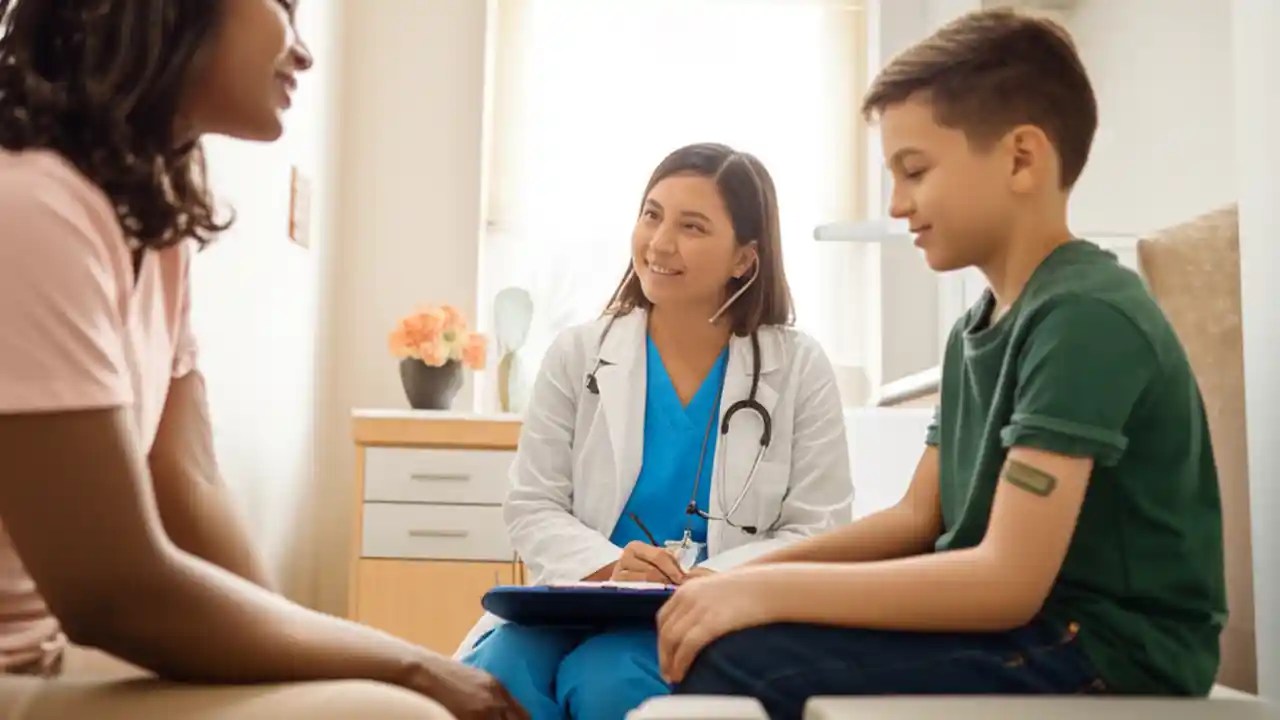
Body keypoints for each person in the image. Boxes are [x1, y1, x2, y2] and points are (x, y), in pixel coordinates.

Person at [655, 9, 1227, 719]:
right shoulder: (973, 332)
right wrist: (730, 575)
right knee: (732, 633)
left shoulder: (1087, 315)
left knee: (742, 661)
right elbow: (917, 518)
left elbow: (1007, 581)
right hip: (1037, 627)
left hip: (1112, 651)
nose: (897, 204)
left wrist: (760, 592)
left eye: (914, 171)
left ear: (1021, 158)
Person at [0, 2, 527, 719]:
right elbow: (113, 592)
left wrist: (312, 663)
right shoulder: (30, 206)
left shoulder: (152, 232)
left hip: (50, 653)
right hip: (31, 659)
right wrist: (407, 665)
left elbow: (191, 484)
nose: (303, 54)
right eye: (283, 8)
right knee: (399, 712)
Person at [458, 142, 854, 720]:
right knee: (499, 675)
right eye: (652, 214)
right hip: (579, 595)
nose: (660, 242)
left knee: (609, 677)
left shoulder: (796, 367)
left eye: (692, 226)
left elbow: (819, 529)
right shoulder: (578, 354)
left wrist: (704, 579)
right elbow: (533, 505)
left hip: (709, 608)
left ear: (745, 258)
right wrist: (613, 569)